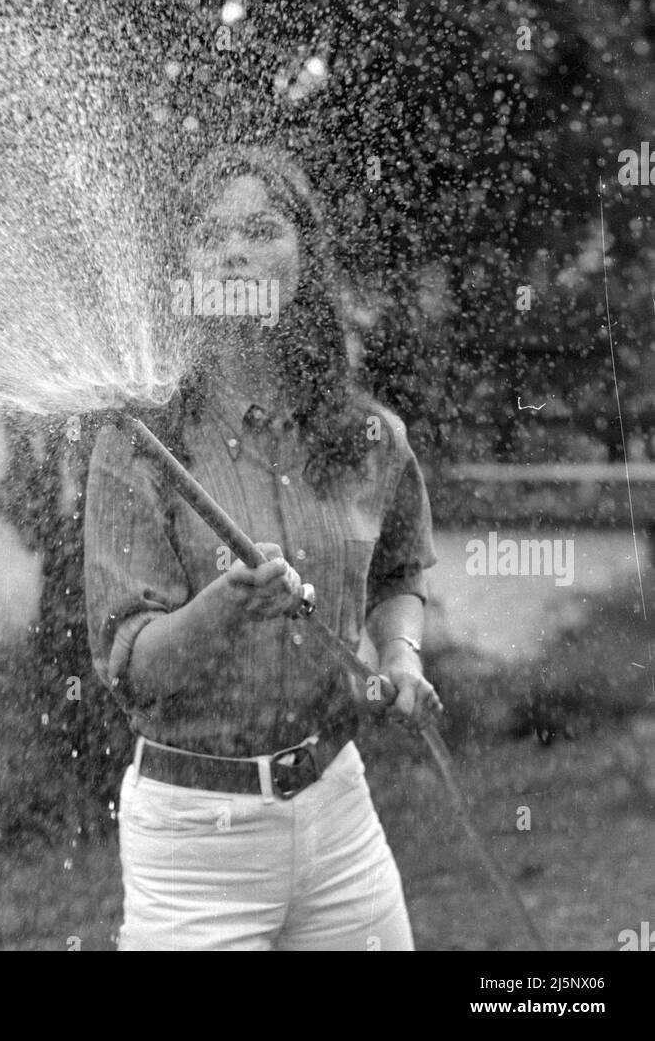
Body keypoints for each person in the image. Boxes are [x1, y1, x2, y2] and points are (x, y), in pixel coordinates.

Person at [84, 143, 442, 952]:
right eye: (211, 237)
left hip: (338, 812)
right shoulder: (139, 443)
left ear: (305, 257)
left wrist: (403, 657)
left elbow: (398, 572)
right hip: (194, 845)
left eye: (262, 228)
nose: (235, 250)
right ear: (189, 269)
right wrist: (222, 609)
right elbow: (132, 670)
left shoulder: (368, 437)